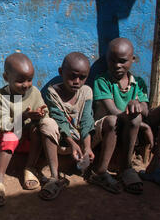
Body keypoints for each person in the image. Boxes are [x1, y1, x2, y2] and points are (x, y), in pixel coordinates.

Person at [93, 37, 160, 194]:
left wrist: (138, 105)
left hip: (135, 126)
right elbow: (113, 111)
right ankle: (126, 168)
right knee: (135, 117)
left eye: (122, 61)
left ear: (133, 60)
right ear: (106, 59)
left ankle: (156, 166)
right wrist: (139, 119)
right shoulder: (102, 81)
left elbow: (145, 110)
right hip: (115, 127)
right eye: (112, 60)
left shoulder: (138, 82)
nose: (117, 65)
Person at [0, 52, 60, 207]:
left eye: (29, 80)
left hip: (30, 141)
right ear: (6, 78)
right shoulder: (0, 97)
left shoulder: (34, 92)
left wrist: (38, 115)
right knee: (11, 135)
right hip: (9, 143)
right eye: (20, 81)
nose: (26, 85)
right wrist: (23, 116)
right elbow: (4, 126)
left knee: (44, 125)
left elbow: (44, 113)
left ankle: (31, 168)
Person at [44, 52, 121, 194]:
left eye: (82, 77)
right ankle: (54, 178)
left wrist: (87, 147)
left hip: (86, 140)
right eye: (72, 76)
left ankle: (101, 172)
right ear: (61, 72)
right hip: (64, 142)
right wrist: (73, 144)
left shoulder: (86, 91)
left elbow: (87, 119)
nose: (77, 81)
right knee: (48, 123)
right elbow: (59, 120)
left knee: (112, 121)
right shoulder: (52, 92)